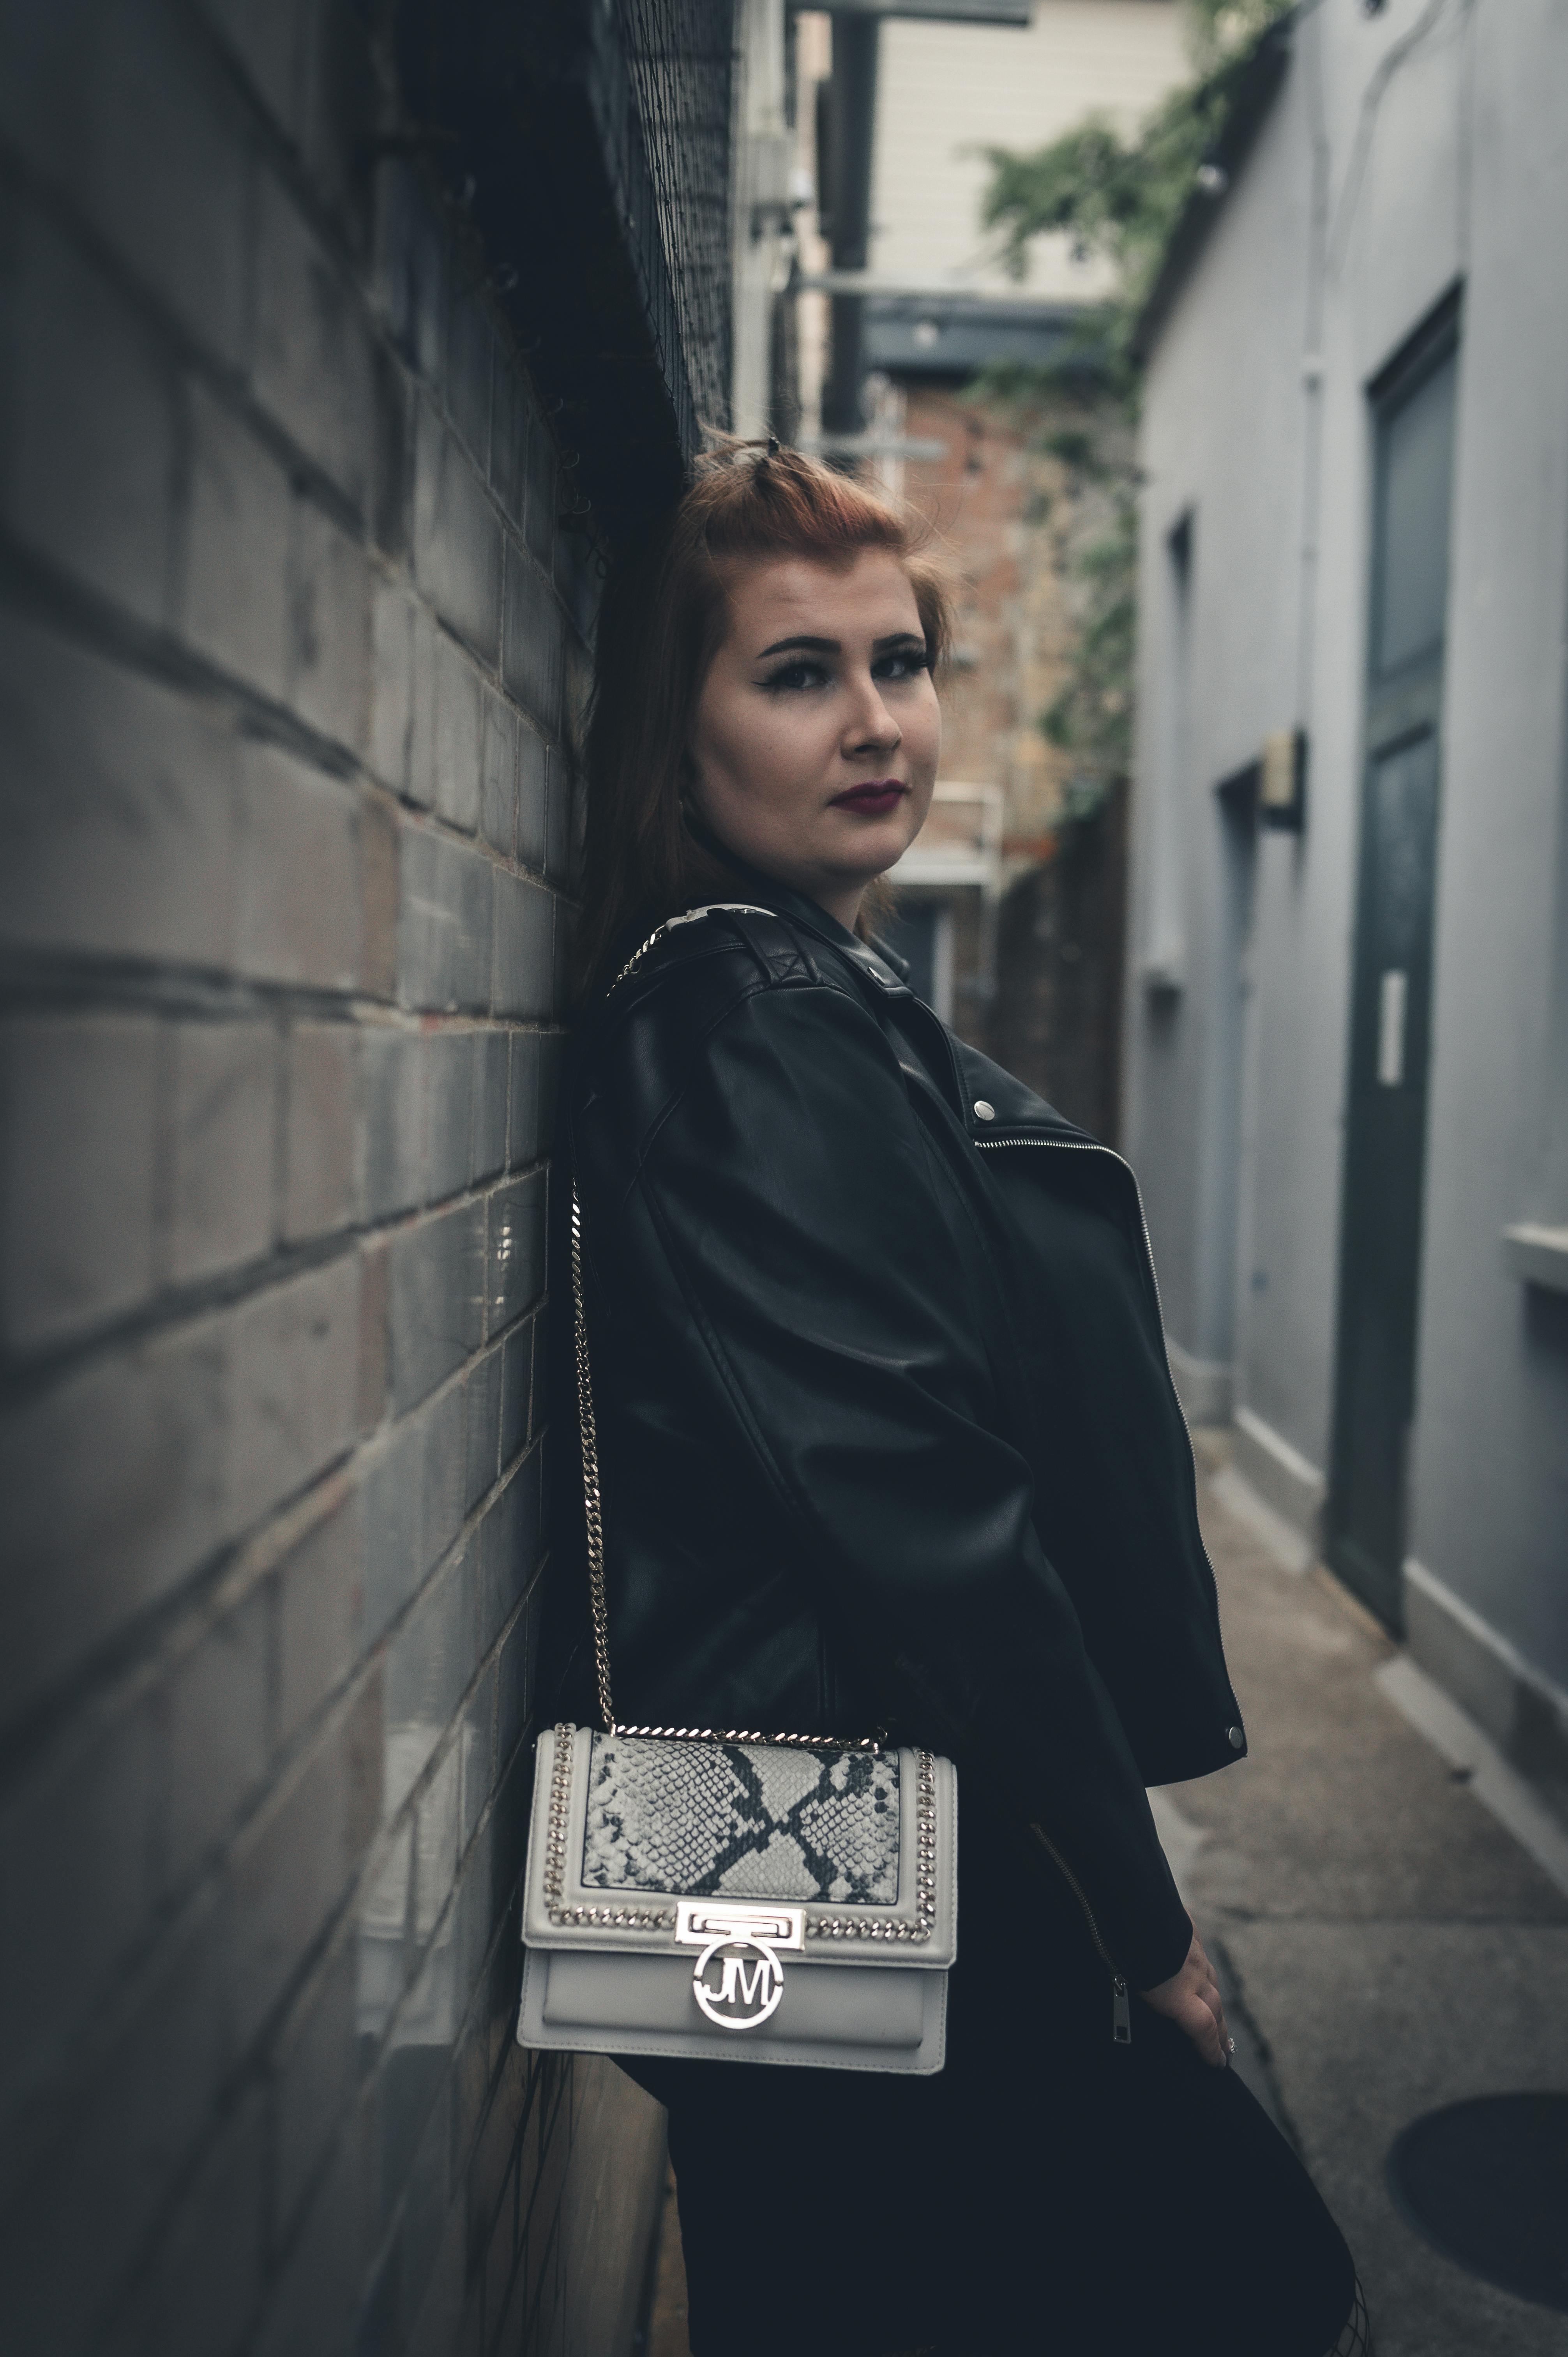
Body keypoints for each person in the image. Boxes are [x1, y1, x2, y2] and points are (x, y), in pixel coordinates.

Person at [540, 442, 1371, 2357]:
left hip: (873, 1865)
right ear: (676, 733)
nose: (874, 721)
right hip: (876, 1876)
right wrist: (1143, 1921)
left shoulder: (809, 994)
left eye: (899, 661)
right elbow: (936, 1536)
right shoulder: (752, 1029)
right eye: (797, 673)